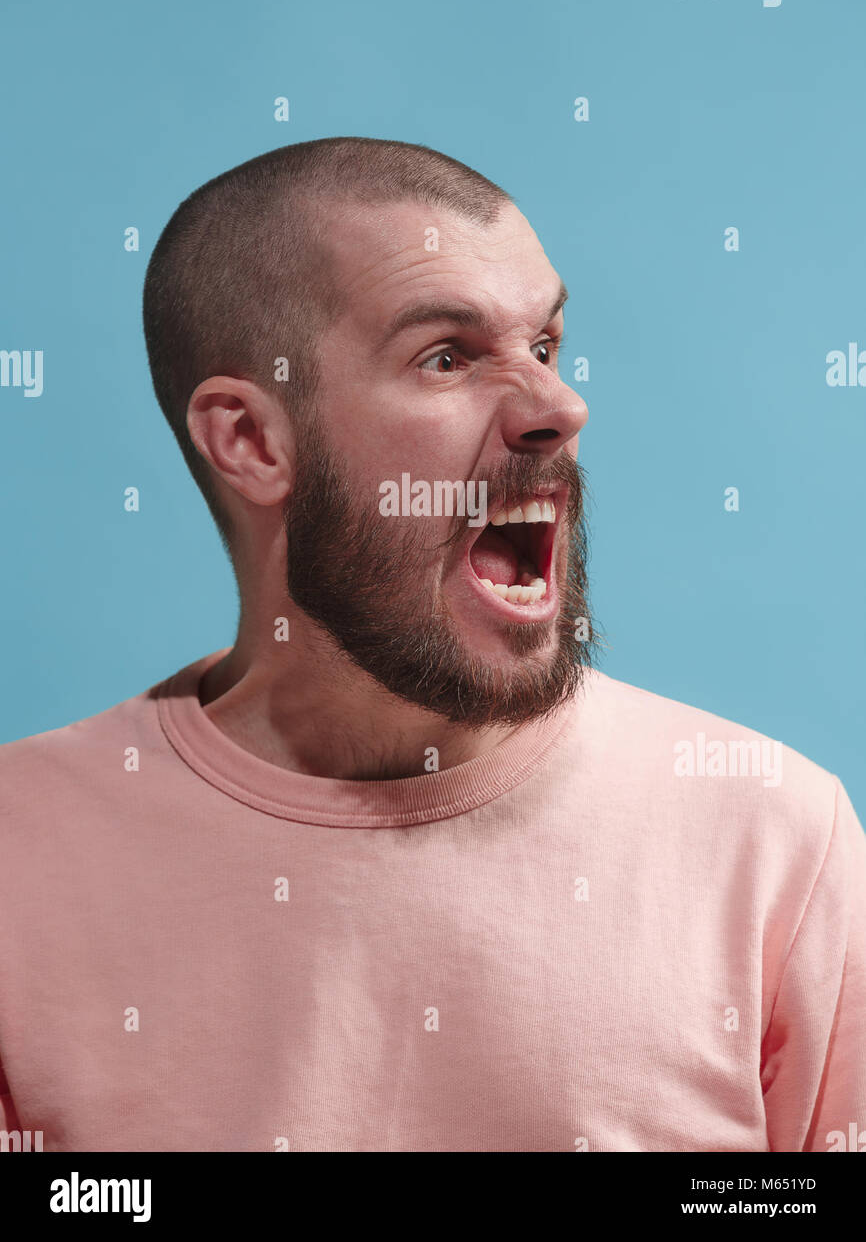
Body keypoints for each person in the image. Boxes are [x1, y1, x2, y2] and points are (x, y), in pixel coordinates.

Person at [1, 137, 863, 1153]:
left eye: (543, 345)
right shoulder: (26, 850)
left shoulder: (771, 840)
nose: (558, 407)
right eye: (446, 356)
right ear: (250, 441)